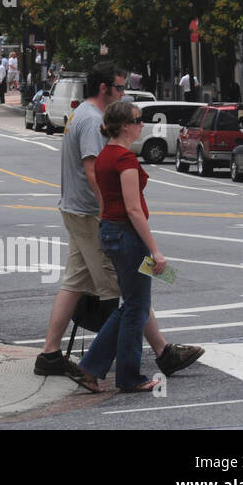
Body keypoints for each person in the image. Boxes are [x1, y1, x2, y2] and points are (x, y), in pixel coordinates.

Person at [33, 63, 203, 379]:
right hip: (94, 216)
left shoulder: (82, 114)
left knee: (76, 281)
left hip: (78, 211)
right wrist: (109, 216)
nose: (123, 92)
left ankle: (50, 353)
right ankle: (156, 353)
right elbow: (94, 173)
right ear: (104, 88)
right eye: (120, 87)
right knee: (127, 288)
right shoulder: (93, 122)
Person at [73, 101, 169, 392]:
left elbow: (107, 203)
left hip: (111, 232)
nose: (142, 125)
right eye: (139, 120)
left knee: (132, 305)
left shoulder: (104, 157)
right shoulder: (125, 160)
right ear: (125, 125)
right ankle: (128, 376)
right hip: (127, 235)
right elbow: (133, 208)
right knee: (136, 307)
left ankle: (90, 367)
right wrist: (155, 250)